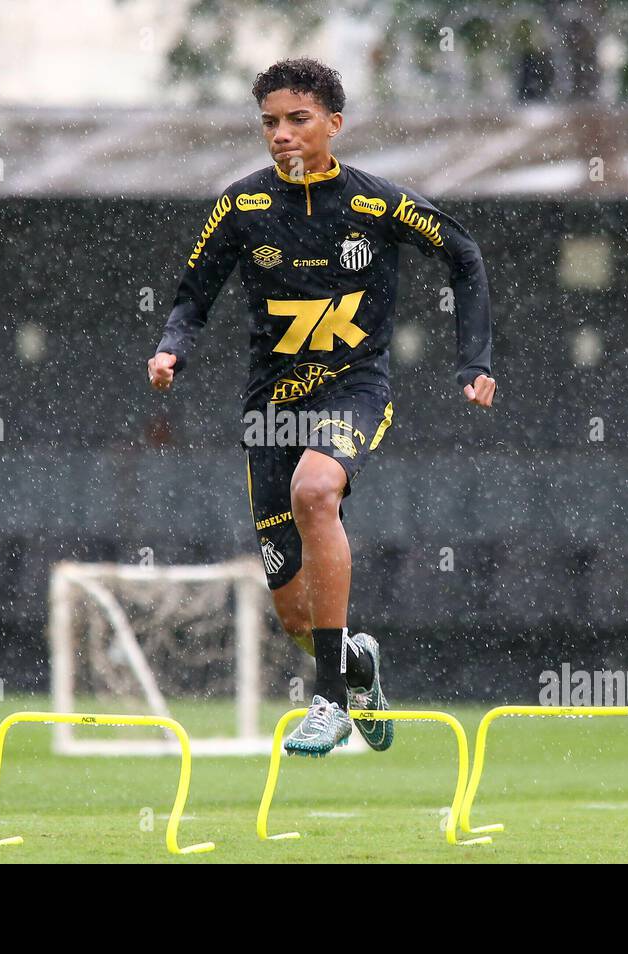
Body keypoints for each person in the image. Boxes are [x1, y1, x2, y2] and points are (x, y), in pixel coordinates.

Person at [148, 58, 495, 755]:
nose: (282, 134)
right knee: (294, 614)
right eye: (270, 122)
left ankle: (330, 700)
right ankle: (358, 665)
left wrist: (474, 360)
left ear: (334, 124)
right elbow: (194, 294)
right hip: (269, 411)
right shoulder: (242, 205)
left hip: (353, 390)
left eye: (297, 119)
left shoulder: (375, 204)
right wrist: (171, 347)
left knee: (317, 492)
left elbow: (464, 254)